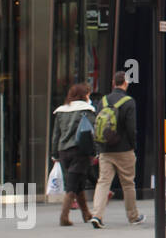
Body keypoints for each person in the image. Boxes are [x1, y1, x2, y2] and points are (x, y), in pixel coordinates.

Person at [90, 71, 142, 229]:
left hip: (105, 149)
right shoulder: (129, 102)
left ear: (113, 83)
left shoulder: (103, 100)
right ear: (126, 83)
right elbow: (131, 128)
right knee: (128, 183)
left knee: (103, 182)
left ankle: (97, 215)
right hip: (124, 148)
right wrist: (133, 145)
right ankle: (133, 216)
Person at [50, 83, 96, 225]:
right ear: (84, 95)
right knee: (72, 186)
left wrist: (54, 154)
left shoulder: (61, 111)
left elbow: (56, 134)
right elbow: (91, 133)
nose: (89, 96)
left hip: (63, 151)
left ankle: (86, 214)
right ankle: (64, 216)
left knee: (78, 183)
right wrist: (94, 152)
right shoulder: (87, 110)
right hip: (79, 151)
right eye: (88, 93)